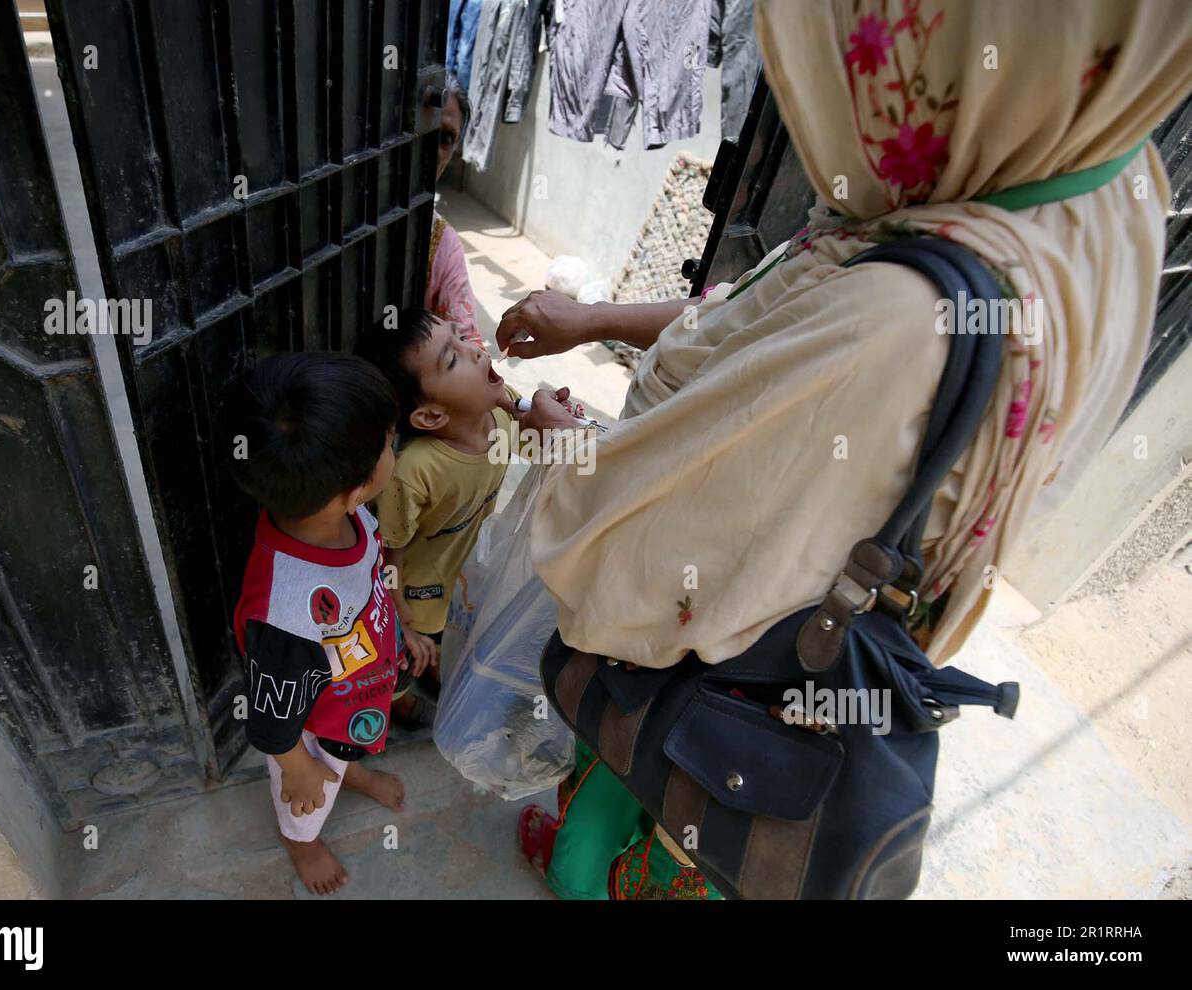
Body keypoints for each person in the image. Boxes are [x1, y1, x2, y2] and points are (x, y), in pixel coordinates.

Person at [504, 0, 1192, 899]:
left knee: (666, 798)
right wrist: (599, 321)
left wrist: (579, 453)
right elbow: (782, 326)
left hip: (737, 669)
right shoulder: (1102, 179)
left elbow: (642, 575)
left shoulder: (898, 320)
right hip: (834, 651)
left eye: (846, 63)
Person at [225, 352, 423, 895]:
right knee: (312, 793)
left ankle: (349, 768)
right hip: (309, 727)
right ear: (355, 487)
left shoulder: (347, 515)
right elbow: (270, 720)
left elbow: (372, 565)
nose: (394, 444)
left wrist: (399, 615)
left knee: (345, 749)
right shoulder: (287, 614)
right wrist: (296, 769)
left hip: (354, 691)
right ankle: (302, 840)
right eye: (389, 440)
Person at [358, 310, 585, 729]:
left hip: (462, 573)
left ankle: (436, 674)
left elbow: (538, 447)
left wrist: (559, 425)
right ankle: (398, 700)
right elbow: (389, 548)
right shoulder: (414, 473)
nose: (476, 350)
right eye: (453, 358)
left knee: (451, 637)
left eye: (462, 338)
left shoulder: (498, 416)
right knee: (408, 652)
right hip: (417, 592)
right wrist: (397, 613)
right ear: (429, 417)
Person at [426, 77, 484, 346]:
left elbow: (467, 342)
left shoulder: (441, 244)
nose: (434, 151)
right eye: (421, 128)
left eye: (445, 139)